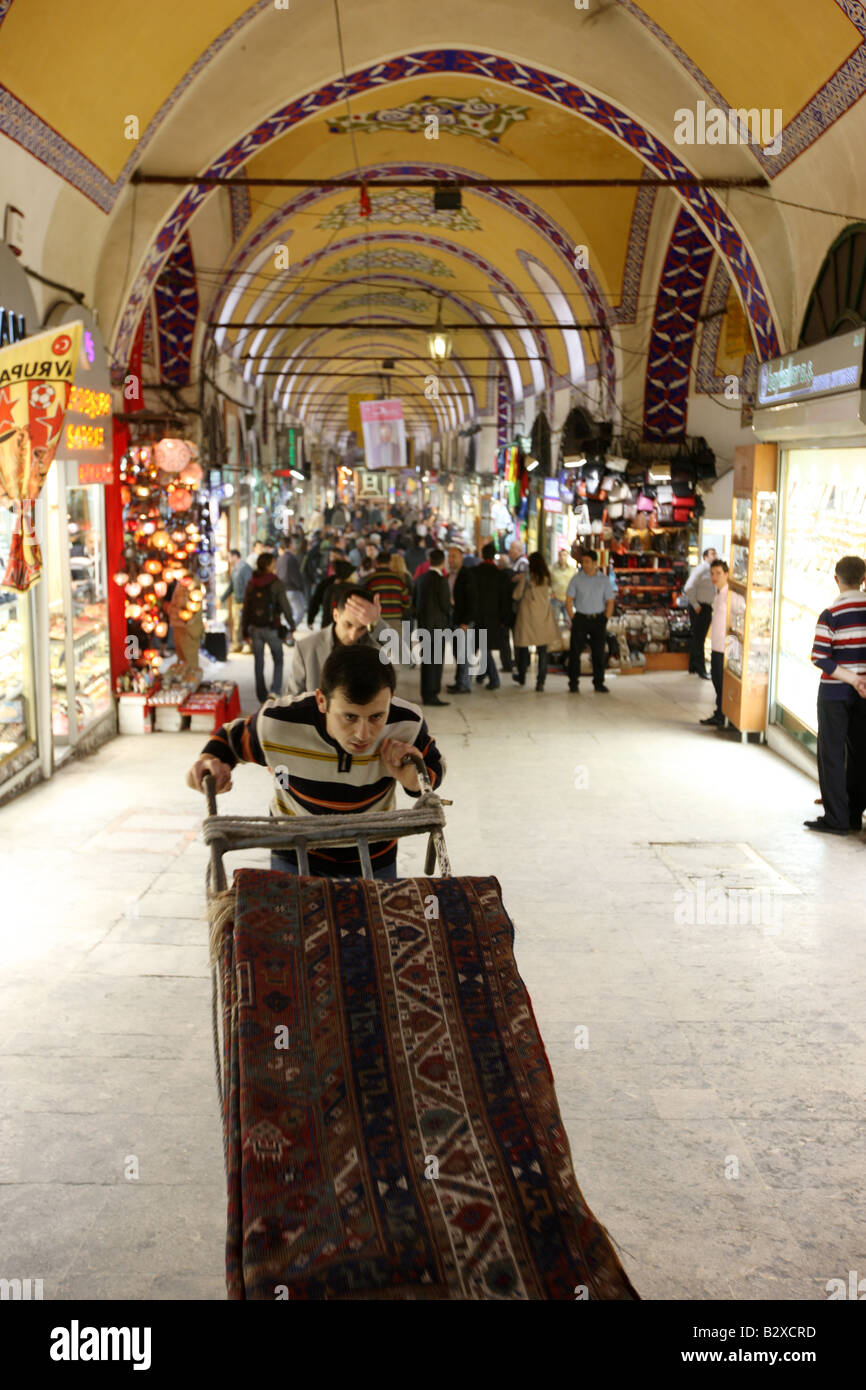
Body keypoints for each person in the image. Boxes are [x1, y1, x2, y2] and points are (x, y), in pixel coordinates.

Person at [186, 643, 445, 879]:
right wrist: (209, 763)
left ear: (391, 699)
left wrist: (409, 778)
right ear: (322, 701)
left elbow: (434, 767)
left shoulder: (405, 723)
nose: (363, 734)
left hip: (375, 853)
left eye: (377, 716)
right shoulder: (280, 723)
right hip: (293, 848)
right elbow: (229, 740)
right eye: (350, 717)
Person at [804, 554, 866, 835]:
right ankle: (854, 815)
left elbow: (820, 656)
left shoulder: (830, 614)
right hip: (863, 695)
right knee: (859, 753)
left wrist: (850, 678)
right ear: (863, 579)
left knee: (831, 752)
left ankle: (836, 818)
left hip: (834, 693)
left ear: (836, 579)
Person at [286, 583, 388, 695]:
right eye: (348, 624)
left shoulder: (373, 647)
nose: (353, 635)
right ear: (336, 615)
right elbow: (293, 697)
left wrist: (377, 623)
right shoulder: (306, 648)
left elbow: (401, 660)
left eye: (361, 628)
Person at [241, 552, 296, 703]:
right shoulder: (276, 583)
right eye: (273, 562)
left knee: (259, 661)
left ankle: (261, 694)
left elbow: (246, 609)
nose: (275, 565)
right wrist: (291, 624)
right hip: (272, 628)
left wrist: (244, 630)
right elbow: (285, 606)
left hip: (255, 628)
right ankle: (275, 691)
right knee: (278, 658)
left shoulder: (252, 583)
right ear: (267, 565)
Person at [565, 549, 615, 693]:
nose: (585, 565)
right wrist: (573, 618)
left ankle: (599, 682)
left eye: (587, 562)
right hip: (581, 618)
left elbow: (610, 601)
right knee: (575, 652)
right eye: (583, 562)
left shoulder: (603, 580)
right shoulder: (576, 579)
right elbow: (568, 600)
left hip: (598, 619)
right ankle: (573, 682)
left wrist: (605, 618)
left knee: (598, 653)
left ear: (594, 563)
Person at [513, 552, 560, 692]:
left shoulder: (527, 577)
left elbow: (516, 595)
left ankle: (521, 676)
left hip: (527, 616)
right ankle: (540, 682)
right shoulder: (547, 578)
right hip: (543, 615)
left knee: (523, 648)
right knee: (543, 650)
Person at [468, 542, 511, 690]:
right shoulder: (501, 575)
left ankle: (493, 678)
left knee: (480, 646)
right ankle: (482, 674)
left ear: (481, 555)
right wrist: (504, 619)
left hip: (476, 616)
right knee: (484, 646)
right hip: (493, 618)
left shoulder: (473, 572)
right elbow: (505, 600)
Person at [414, 547, 452, 707]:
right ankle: (432, 694)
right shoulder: (441, 581)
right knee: (436, 662)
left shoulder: (420, 579)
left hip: (424, 625)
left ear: (429, 561)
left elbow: (415, 602)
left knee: (427, 661)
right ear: (443, 562)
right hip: (437, 626)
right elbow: (445, 605)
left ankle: (426, 693)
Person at [679, 547, 718, 678]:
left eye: (716, 554)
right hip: (700, 607)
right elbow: (688, 587)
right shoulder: (702, 569)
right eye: (712, 554)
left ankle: (693, 666)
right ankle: (701, 668)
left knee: (697, 637)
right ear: (705, 556)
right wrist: (695, 604)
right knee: (699, 638)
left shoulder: (710, 570)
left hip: (704, 606)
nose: (715, 556)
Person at [700, 559, 729, 727]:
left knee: (721, 681)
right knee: (716, 679)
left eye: (718, 573)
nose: (715, 577)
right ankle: (719, 713)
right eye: (712, 573)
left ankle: (723, 715)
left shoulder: (730, 595)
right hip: (716, 645)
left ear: (726, 574)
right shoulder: (718, 595)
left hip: (725, 647)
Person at [363, 550, 412, 649]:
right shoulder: (398, 580)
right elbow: (406, 603)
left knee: (377, 652)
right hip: (395, 621)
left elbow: (365, 601)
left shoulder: (370, 580)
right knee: (396, 653)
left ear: (376, 562)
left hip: (376, 621)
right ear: (390, 562)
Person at [166, 571, 204, 682]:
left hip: (189, 629)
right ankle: (184, 681)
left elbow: (195, 610)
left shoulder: (195, 588)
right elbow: (173, 604)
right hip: (178, 626)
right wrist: (175, 613)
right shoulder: (179, 587)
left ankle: (192, 681)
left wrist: (185, 617)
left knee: (190, 658)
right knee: (181, 657)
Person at [445, 545, 473, 695]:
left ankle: (465, 684)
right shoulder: (449, 575)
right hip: (453, 619)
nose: (450, 559)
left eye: (454, 556)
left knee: (464, 654)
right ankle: (459, 681)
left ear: (461, 558)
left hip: (463, 621)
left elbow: (472, 600)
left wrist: (466, 622)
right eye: (449, 556)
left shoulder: (467, 575)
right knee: (457, 652)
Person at [222, 549, 252, 652]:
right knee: (237, 625)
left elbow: (249, 585)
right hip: (237, 602)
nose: (228, 559)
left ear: (235, 556)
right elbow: (231, 587)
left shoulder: (244, 568)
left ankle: (249, 645)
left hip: (245, 602)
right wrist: (222, 599)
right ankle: (238, 645)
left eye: (229, 557)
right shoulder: (234, 570)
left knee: (246, 624)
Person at [275, 539, 306, 628]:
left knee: (290, 613)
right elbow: (295, 576)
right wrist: (300, 586)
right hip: (292, 589)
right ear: (290, 545)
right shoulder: (291, 558)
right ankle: (288, 629)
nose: (294, 545)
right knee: (299, 613)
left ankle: (287, 630)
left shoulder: (279, 559)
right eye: (293, 543)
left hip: (283, 589)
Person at [550, 548, 575, 626]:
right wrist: (550, 592)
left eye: (564, 555)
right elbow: (547, 583)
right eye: (560, 555)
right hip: (555, 599)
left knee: (568, 622)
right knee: (554, 623)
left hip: (568, 600)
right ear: (558, 556)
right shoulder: (551, 568)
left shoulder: (572, 570)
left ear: (567, 556)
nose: (562, 557)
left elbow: (575, 584)